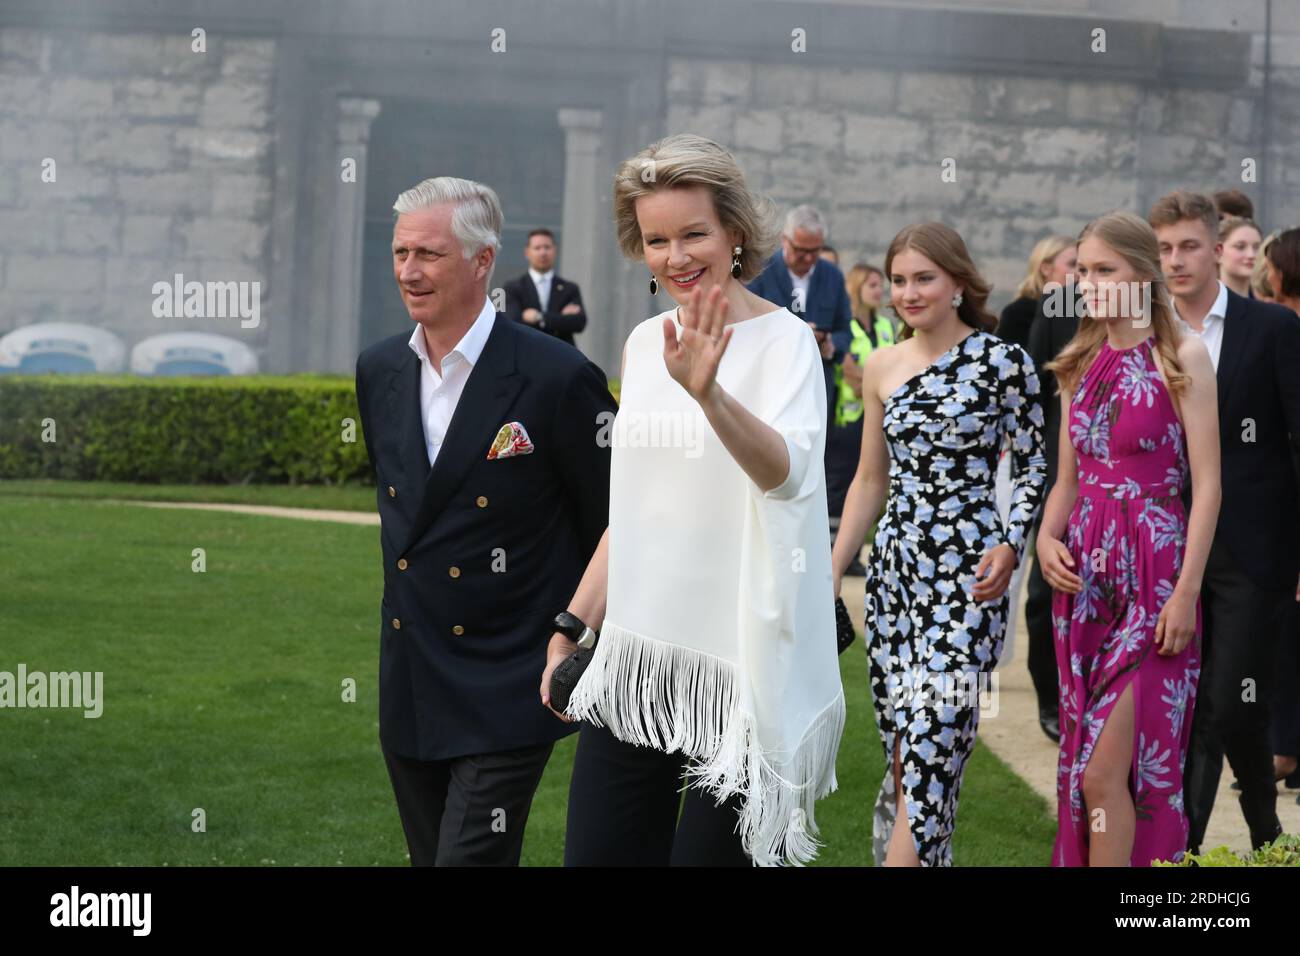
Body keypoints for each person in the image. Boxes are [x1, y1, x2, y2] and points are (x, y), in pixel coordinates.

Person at [543, 134, 846, 867]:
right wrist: (572, 624)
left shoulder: (788, 344)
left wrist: (708, 393)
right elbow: (637, 509)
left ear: (735, 233)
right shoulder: (647, 345)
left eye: (693, 234)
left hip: (741, 674)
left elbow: (787, 474)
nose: (675, 257)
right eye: (655, 240)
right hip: (637, 660)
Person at [354, 177, 615, 866]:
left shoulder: (558, 377)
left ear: (481, 261)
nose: (409, 270)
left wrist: (583, 639)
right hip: (410, 674)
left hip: (511, 678)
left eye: (429, 254)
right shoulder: (378, 370)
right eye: (401, 251)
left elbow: (612, 524)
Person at [831, 222, 1047, 866]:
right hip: (895, 579)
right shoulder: (880, 365)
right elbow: (872, 478)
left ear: (958, 282)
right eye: (898, 280)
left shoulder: (1003, 361)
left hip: (971, 579)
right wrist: (833, 568)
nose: (908, 292)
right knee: (906, 752)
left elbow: (1037, 465)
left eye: (924, 278)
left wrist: (1012, 544)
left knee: (933, 740)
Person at [1037, 211, 1220, 866]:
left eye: (1103, 269)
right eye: (1082, 269)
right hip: (1083, 581)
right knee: (1086, 770)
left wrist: (1185, 591)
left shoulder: (1183, 355)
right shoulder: (1077, 360)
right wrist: (1044, 541)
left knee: (1107, 774)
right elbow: (1066, 480)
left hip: (1155, 576)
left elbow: (1209, 486)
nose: (1087, 282)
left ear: (1143, 274)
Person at [1149, 191, 1300, 854]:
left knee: (1223, 706)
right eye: (1163, 248)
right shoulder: (1141, 332)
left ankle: (1180, 857)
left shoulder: (1272, 330)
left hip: (1251, 551)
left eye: (1188, 246)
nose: (1176, 260)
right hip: (1159, 547)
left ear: (1217, 249)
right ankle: (1268, 833)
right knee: (1216, 710)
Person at [747, 204, 853, 416]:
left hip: (818, 385)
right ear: (784, 240)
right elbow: (746, 326)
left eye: (815, 251)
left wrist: (829, 344)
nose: (807, 258)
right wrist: (795, 335)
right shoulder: (761, 271)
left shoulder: (833, 276)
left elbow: (845, 331)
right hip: (771, 383)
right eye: (800, 250)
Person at [827, 263, 897, 577]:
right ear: (857, 288)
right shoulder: (848, 326)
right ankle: (832, 552)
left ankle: (853, 553)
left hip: (877, 415)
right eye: (872, 285)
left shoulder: (884, 325)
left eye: (880, 286)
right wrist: (875, 386)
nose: (878, 292)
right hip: (850, 415)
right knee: (840, 485)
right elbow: (850, 371)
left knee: (868, 480)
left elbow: (894, 364)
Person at [502, 228, 588, 347]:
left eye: (547, 247)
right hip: (526, 353)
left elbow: (579, 323)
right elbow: (512, 323)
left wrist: (539, 317)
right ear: (527, 252)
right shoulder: (512, 288)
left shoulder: (570, 288)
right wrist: (560, 318)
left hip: (562, 356)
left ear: (555, 251)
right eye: (537, 248)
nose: (543, 252)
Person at [997, 235, 1077, 349]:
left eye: (1082, 266)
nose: (1080, 272)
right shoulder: (1019, 314)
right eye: (1073, 264)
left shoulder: (1084, 311)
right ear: (1046, 269)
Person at [1217, 216, 1262, 299]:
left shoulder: (1267, 307)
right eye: (1240, 247)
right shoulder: (1202, 304)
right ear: (1218, 251)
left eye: (1256, 247)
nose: (1251, 255)